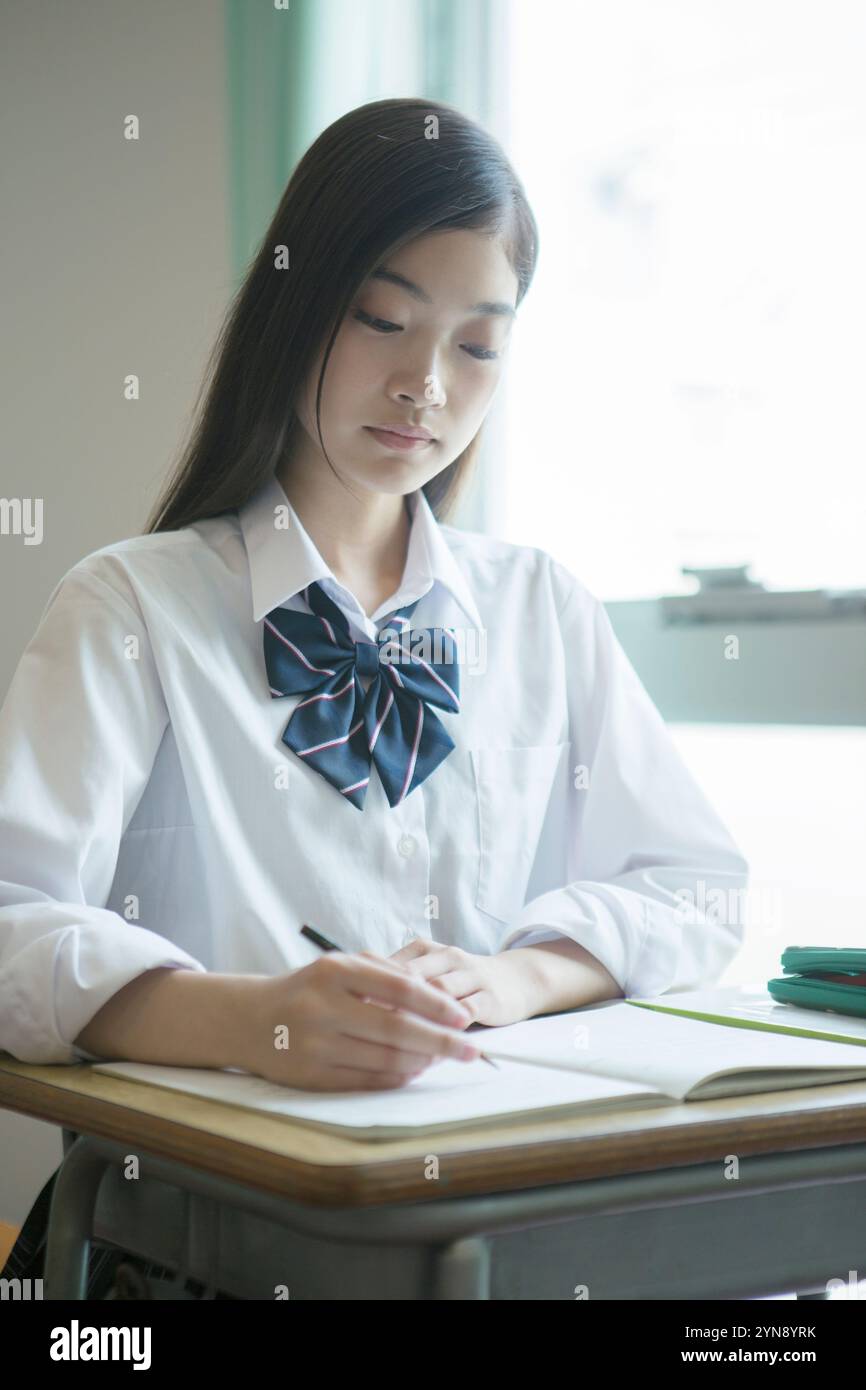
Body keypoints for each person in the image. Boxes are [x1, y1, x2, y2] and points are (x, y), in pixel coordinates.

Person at [0, 97, 748, 1297]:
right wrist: (255, 1021)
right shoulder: (133, 607)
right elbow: (10, 921)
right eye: (382, 318)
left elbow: (694, 886)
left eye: (476, 345)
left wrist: (514, 975)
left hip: (484, 1213)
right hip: (198, 1240)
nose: (423, 386)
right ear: (295, 311)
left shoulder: (538, 608)